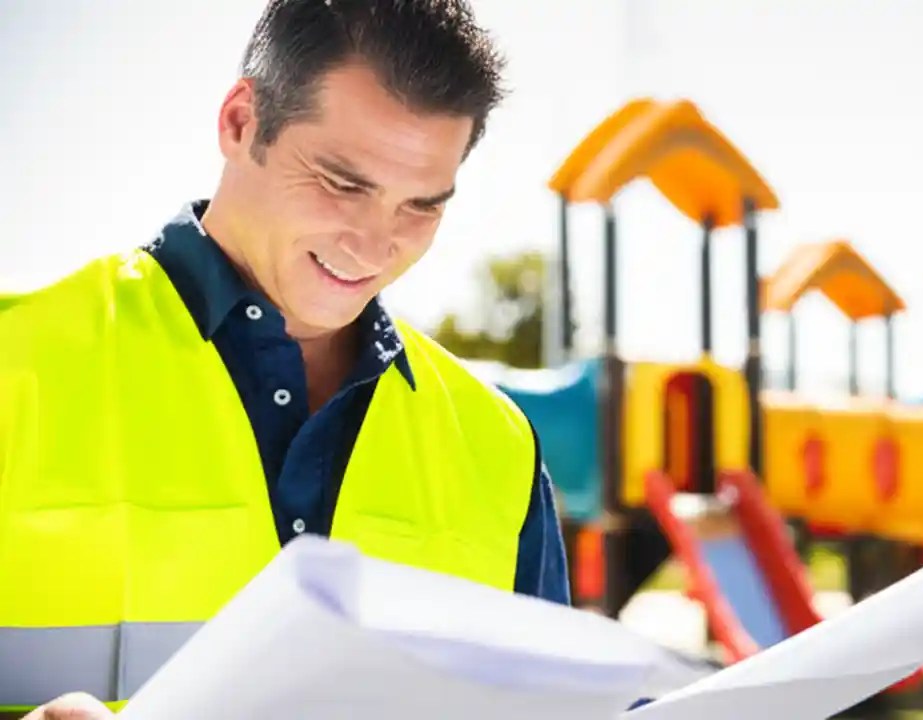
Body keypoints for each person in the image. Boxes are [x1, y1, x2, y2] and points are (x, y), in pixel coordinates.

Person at [0, 1, 568, 717]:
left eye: (421, 206)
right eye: (342, 183)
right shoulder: (13, 368)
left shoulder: (498, 447)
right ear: (241, 122)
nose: (371, 244)